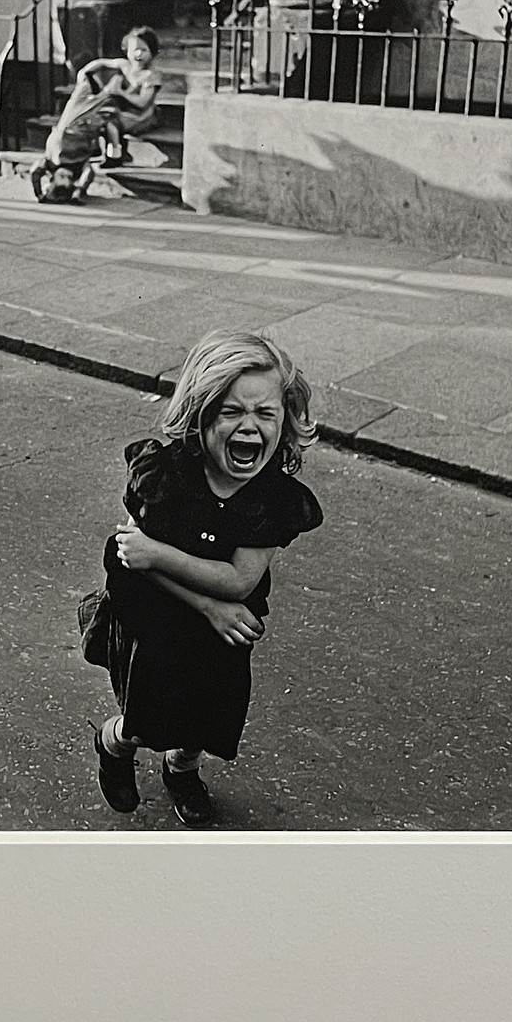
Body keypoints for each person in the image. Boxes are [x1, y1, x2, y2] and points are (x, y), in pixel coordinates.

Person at [78, 329, 322, 827]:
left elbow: (237, 581)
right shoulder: (163, 474)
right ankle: (113, 742)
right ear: (200, 414)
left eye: (265, 413)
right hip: (155, 622)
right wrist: (205, 602)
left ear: (285, 420)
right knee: (148, 718)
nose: (249, 426)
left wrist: (169, 565)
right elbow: (130, 557)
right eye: (231, 412)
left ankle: (182, 770)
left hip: (224, 630)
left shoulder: (273, 500)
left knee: (205, 718)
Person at [33, 26, 163, 204]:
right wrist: (84, 71)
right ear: (127, 50)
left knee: (110, 120)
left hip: (142, 115)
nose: (138, 54)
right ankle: (114, 151)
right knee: (103, 117)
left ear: (153, 53)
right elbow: (102, 63)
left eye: (144, 50)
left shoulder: (150, 76)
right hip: (123, 110)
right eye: (135, 50)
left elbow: (142, 103)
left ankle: (115, 155)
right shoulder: (124, 65)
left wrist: (119, 93)